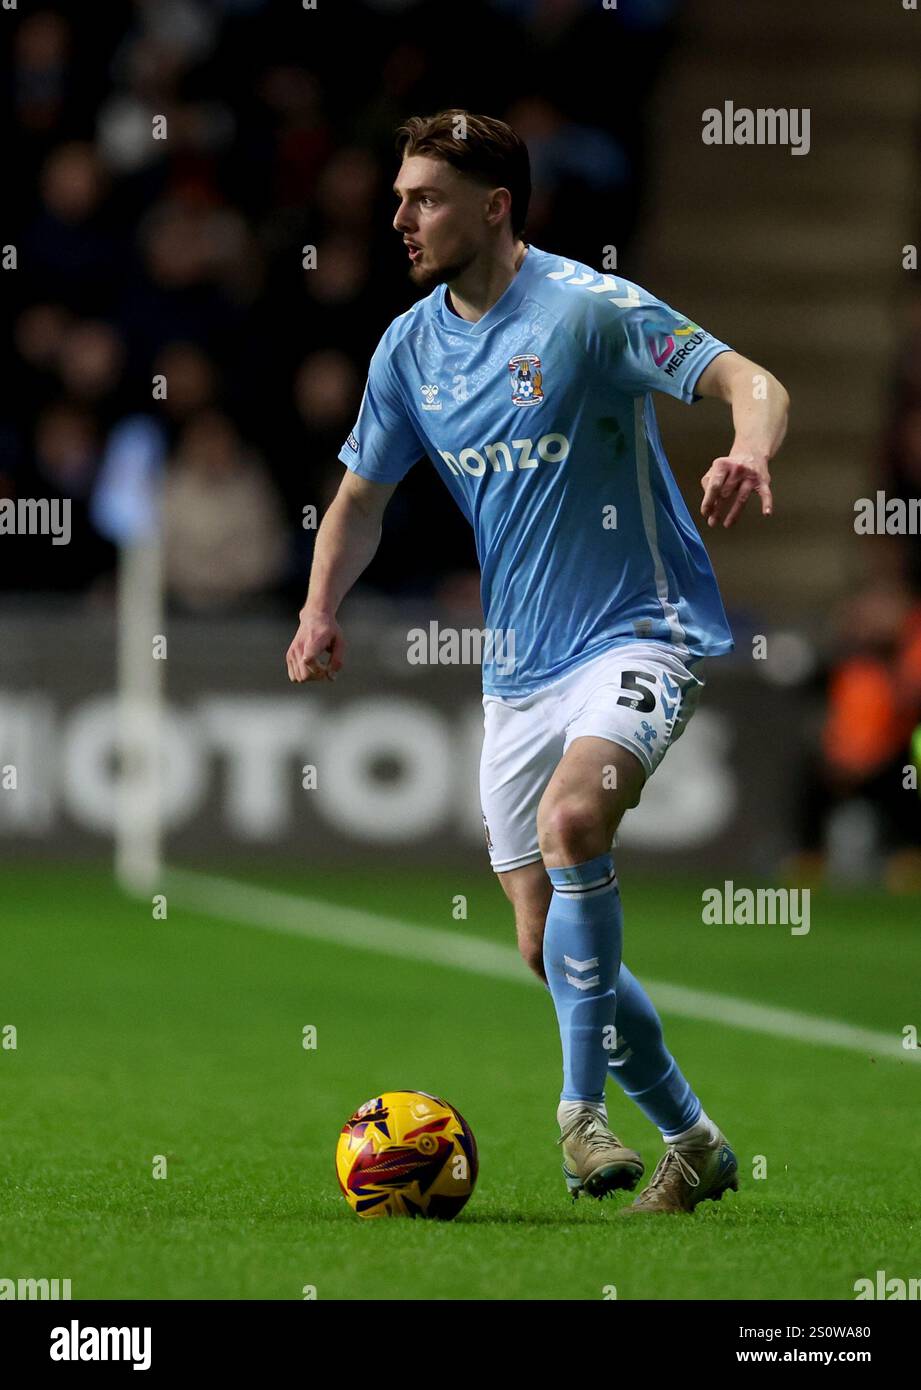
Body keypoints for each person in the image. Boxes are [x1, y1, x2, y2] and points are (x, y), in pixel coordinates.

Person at [286, 110, 790, 1215]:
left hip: (638, 627)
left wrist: (748, 448)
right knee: (540, 945)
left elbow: (751, 378)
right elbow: (359, 500)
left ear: (495, 205)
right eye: (401, 195)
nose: (401, 217)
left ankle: (576, 1112)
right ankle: (694, 1140)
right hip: (517, 670)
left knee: (574, 826)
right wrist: (320, 607)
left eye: (425, 196)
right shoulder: (410, 348)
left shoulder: (588, 312)